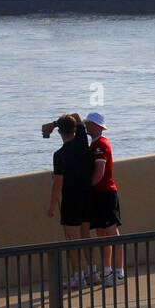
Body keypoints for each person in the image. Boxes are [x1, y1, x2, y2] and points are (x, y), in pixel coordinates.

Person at [43, 112, 95, 287]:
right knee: (86, 235)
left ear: (60, 133)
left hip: (71, 200)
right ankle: (92, 272)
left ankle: (78, 276)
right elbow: (76, 115)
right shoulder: (82, 141)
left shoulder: (59, 155)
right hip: (88, 196)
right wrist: (54, 123)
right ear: (76, 129)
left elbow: (58, 184)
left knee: (72, 239)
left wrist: (51, 206)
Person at [85, 111, 124, 284]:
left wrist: (86, 188)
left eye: (89, 123)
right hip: (98, 194)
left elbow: (99, 173)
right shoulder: (94, 144)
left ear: (98, 126)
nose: (86, 125)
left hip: (105, 194)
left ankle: (119, 272)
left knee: (111, 233)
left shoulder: (100, 145)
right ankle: (107, 271)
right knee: (101, 233)